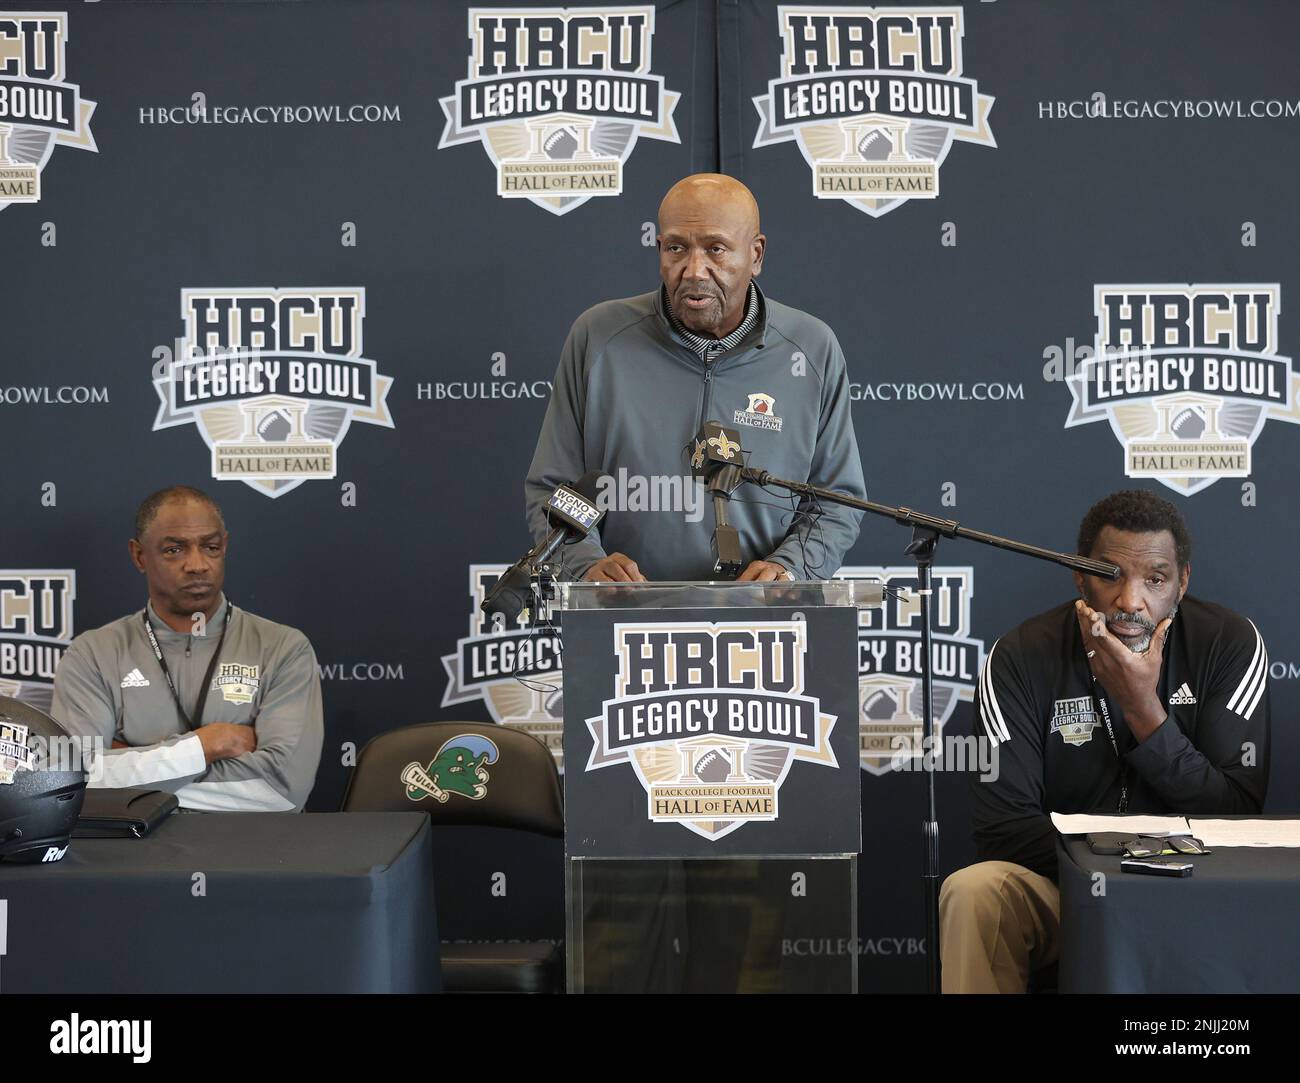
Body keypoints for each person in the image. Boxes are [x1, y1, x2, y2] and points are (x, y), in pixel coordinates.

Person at [940, 490, 1270, 993]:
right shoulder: (1019, 657)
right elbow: (1002, 828)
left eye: (1155, 580)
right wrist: (1118, 865)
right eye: (1110, 575)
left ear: (1181, 582)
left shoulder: (1228, 643)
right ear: (1079, 575)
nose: (1131, 601)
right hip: (1067, 892)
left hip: (1194, 892)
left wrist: (1144, 710)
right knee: (975, 890)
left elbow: (1237, 814)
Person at [526, 173, 865, 582]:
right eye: (676, 248)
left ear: (756, 255)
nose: (694, 270)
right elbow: (553, 486)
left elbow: (837, 500)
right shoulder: (598, 336)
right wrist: (584, 565)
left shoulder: (811, 347)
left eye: (716, 249)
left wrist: (788, 570)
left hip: (762, 620)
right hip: (621, 619)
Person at [51, 486, 323, 812]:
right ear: (139, 556)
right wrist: (207, 745)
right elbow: (70, 780)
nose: (196, 565)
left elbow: (281, 790)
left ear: (225, 547)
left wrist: (132, 767)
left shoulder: (283, 648)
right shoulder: (93, 653)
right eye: (174, 550)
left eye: (210, 547)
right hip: (130, 859)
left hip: (257, 854)